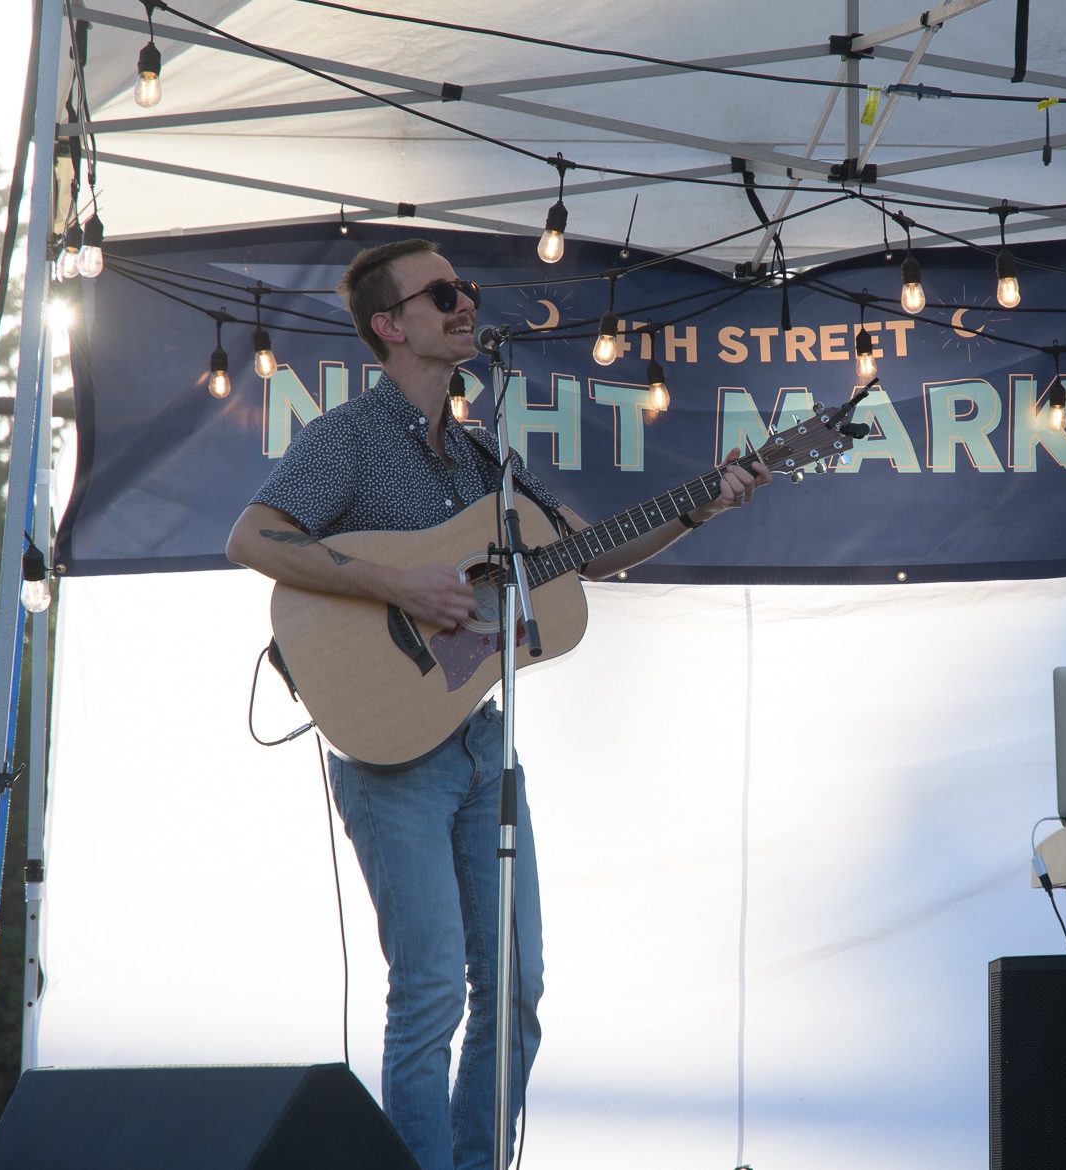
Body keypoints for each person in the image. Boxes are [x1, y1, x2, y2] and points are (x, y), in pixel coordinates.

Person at [224, 238, 770, 1170]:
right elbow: (254, 536)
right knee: (431, 988)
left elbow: (582, 557)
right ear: (390, 326)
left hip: (480, 744)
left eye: (465, 288)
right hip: (392, 755)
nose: (464, 303)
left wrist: (703, 504)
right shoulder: (348, 437)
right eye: (442, 294)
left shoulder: (484, 459)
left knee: (515, 986)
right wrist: (397, 588)